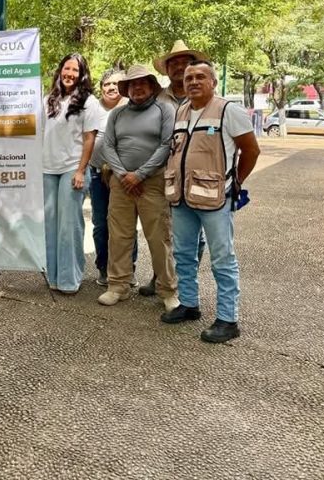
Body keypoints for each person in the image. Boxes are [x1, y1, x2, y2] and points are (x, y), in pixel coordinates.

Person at [162, 60, 260, 343]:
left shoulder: (229, 110)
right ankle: (189, 304)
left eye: (200, 77)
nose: (192, 81)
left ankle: (228, 319)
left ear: (213, 82)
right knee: (183, 253)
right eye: (189, 77)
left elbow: (251, 151)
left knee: (222, 258)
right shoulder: (181, 111)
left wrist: (234, 183)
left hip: (216, 198)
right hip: (181, 197)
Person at [98, 65, 178, 312]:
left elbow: (167, 144)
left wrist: (140, 174)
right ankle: (118, 286)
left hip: (152, 182)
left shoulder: (164, 110)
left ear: (152, 86)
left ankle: (168, 290)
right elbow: (108, 146)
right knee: (119, 236)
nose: (138, 87)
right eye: (133, 84)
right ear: (127, 89)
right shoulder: (117, 115)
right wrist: (123, 175)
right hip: (120, 184)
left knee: (159, 237)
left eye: (143, 83)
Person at [139, 40, 209, 297]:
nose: (179, 68)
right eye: (174, 64)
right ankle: (161, 278)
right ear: (167, 70)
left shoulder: (205, 97)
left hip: (198, 174)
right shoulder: (158, 98)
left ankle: (184, 285)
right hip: (162, 173)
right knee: (162, 229)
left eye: (184, 63)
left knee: (195, 233)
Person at [42, 53, 100, 294]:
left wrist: (80, 170)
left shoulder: (89, 101)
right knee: (50, 225)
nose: (70, 74)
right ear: (60, 70)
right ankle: (53, 277)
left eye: (75, 70)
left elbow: (89, 139)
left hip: (72, 169)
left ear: (82, 74)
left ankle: (70, 279)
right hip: (47, 168)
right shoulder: (48, 100)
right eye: (66, 68)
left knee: (69, 226)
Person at [88, 70, 138, 287]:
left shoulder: (132, 107)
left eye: (117, 83)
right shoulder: (92, 107)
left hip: (122, 175)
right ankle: (103, 268)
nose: (111, 87)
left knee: (126, 225)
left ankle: (128, 269)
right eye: (107, 84)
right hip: (97, 173)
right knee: (101, 224)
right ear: (101, 87)